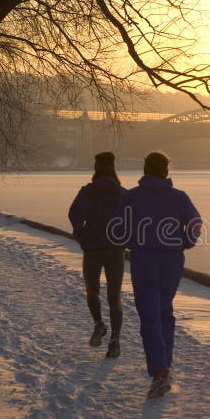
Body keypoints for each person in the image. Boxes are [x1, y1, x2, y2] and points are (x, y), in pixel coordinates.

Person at [122, 152, 201, 398]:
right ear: (166, 172)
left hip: (144, 260)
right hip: (171, 261)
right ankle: (165, 365)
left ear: (145, 170)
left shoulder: (131, 197)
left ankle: (160, 372)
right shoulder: (178, 197)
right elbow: (196, 222)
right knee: (164, 311)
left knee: (149, 316)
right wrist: (185, 242)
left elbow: (117, 226)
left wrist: (132, 242)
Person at [68, 152, 127, 358]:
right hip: (115, 251)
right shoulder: (122, 193)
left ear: (96, 167)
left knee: (92, 291)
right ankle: (115, 341)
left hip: (92, 249)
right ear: (113, 167)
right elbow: (133, 220)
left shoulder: (88, 191)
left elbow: (74, 213)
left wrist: (79, 232)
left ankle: (99, 324)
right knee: (114, 297)